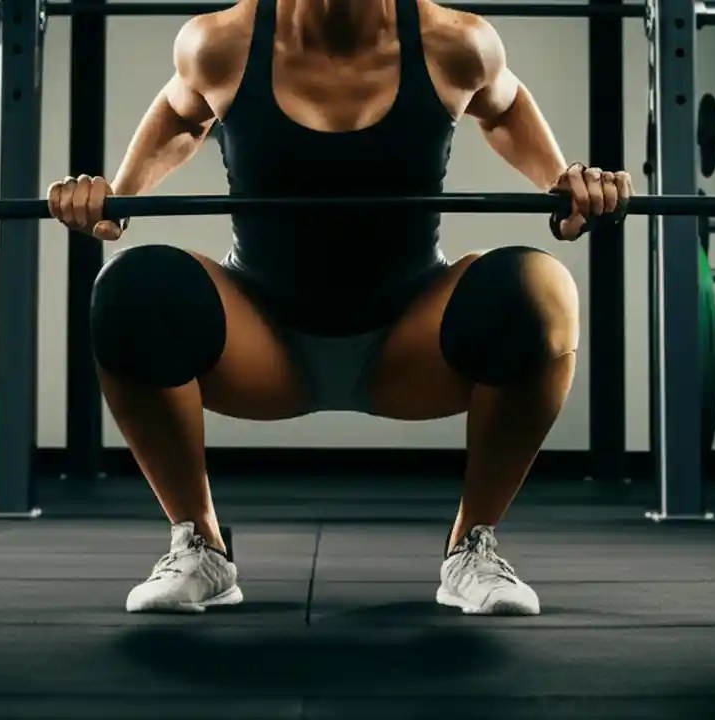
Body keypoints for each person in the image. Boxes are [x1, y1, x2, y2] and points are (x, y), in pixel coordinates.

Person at [49, 0, 632, 616]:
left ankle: (472, 547)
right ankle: (201, 546)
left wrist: (564, 179)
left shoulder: (455, 42)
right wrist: (120, 194)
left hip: (410, 342)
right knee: (129, 288)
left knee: (541, 290)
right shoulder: (221, 43)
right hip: (261, 343)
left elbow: (504, 104)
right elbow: (180, 110)